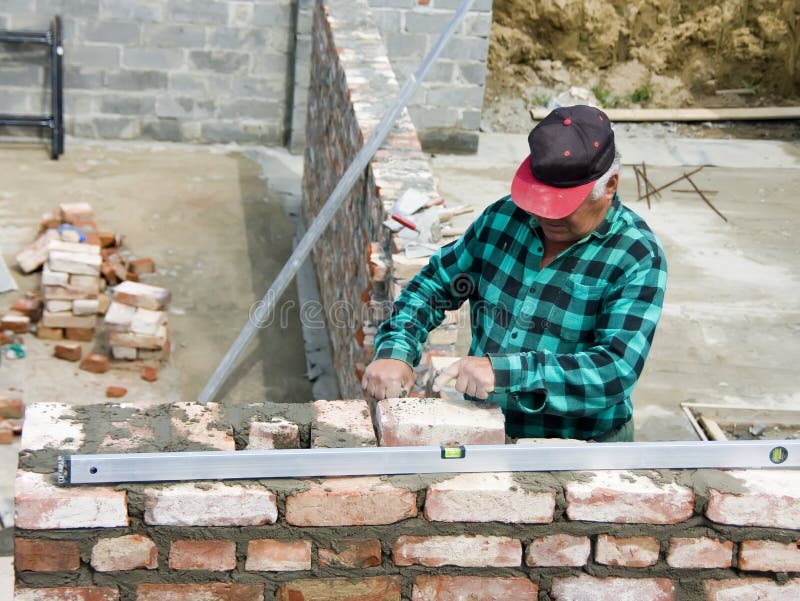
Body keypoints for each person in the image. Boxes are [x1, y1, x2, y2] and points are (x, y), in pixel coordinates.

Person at [361, 105, 667, 442]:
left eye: (562, 205)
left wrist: (504, 372)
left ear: (609, 186)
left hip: (580, 447)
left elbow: (614, 370)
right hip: (487, 433)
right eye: (540, 199)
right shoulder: (504, 219)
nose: (545, 215)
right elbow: (434, 285)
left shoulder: (636, 256)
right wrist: (396, 350)